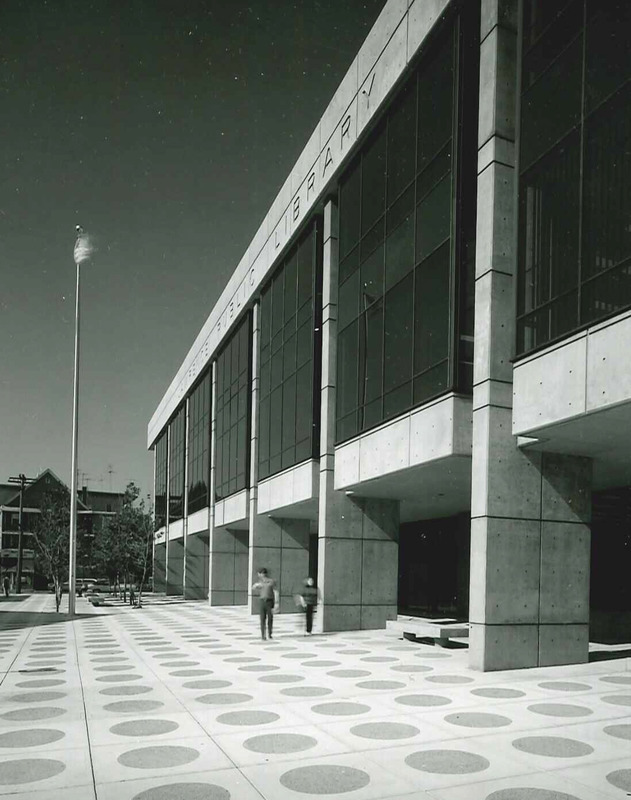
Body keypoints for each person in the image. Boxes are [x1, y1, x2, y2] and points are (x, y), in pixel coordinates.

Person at [252, 567, 278, 640]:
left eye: (260, 574)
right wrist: (256, 586)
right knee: (262, 619)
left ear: (263, 574)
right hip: (262, 601)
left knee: (270, 618)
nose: (259, 575)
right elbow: (253, 588)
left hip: (269, 601)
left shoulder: (270, 582)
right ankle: (263, 635)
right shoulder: (259, 583)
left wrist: (276, 603)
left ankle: (269, 633)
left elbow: (275, 591)